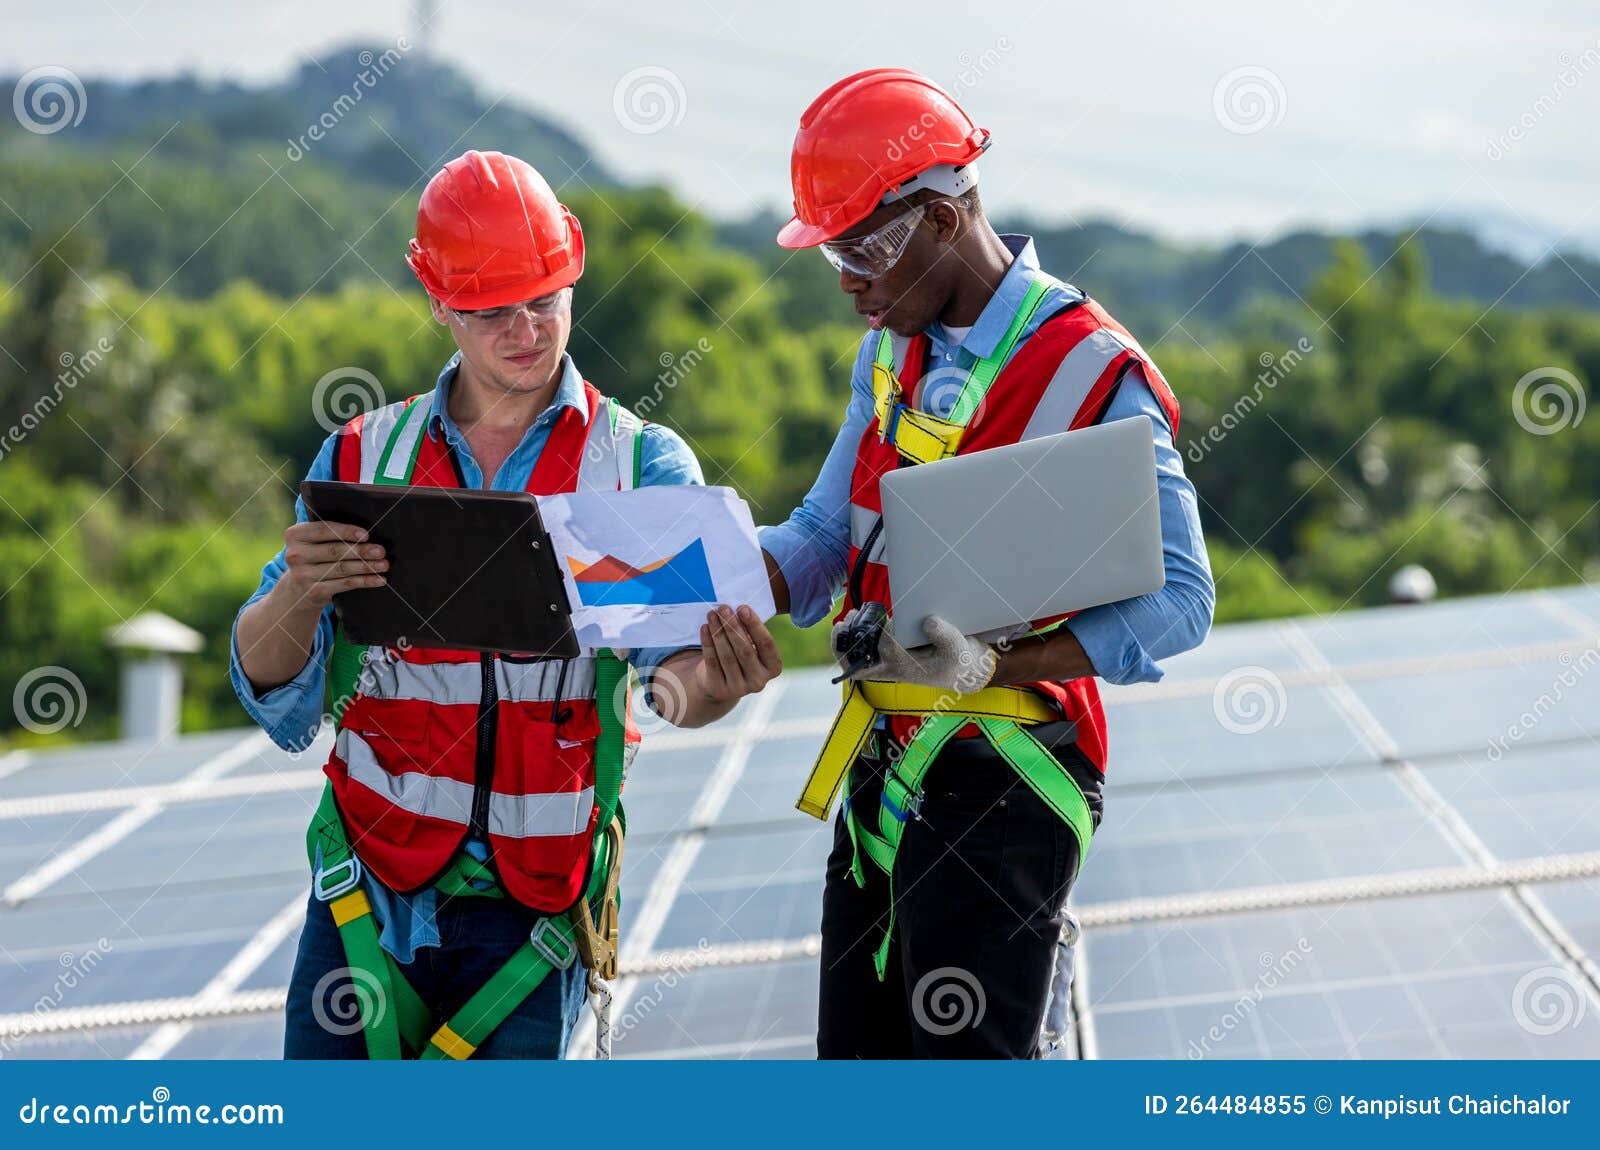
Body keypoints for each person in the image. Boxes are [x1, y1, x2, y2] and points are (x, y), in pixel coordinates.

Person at [231, 150, 780, 1060]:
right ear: (438, 301)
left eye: (546, 298)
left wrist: (718, 680)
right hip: (365, 894)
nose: (527, 330)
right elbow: (269, 688)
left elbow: (672, 688)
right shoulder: (365, 457)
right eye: (492, 310)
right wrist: (298, 587)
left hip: (534, 917)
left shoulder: (637, 468)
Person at [756, 70, 1215, 1058]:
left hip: (1008, 780)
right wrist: (699, 572)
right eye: (831, 252)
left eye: (861, 249)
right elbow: (820, 544)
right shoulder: (889, 356)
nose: (847, 281)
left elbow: (1181, 600)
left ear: (937, 217)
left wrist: (992, 668)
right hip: (884, 773)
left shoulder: (1092, 370)